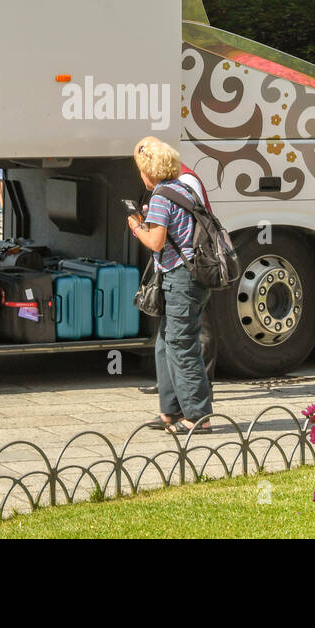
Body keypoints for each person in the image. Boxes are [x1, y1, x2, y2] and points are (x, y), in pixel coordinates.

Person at [128, 138, 213, 434]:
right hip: (188, 278)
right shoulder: (183, 189)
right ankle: (170, 411)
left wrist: (137, 227)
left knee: (181, 344)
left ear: (148, 171)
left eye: (141, 169)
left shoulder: (163, 196)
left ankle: (198, 417)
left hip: (181, 279)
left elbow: (156, 241)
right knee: (166, 343)